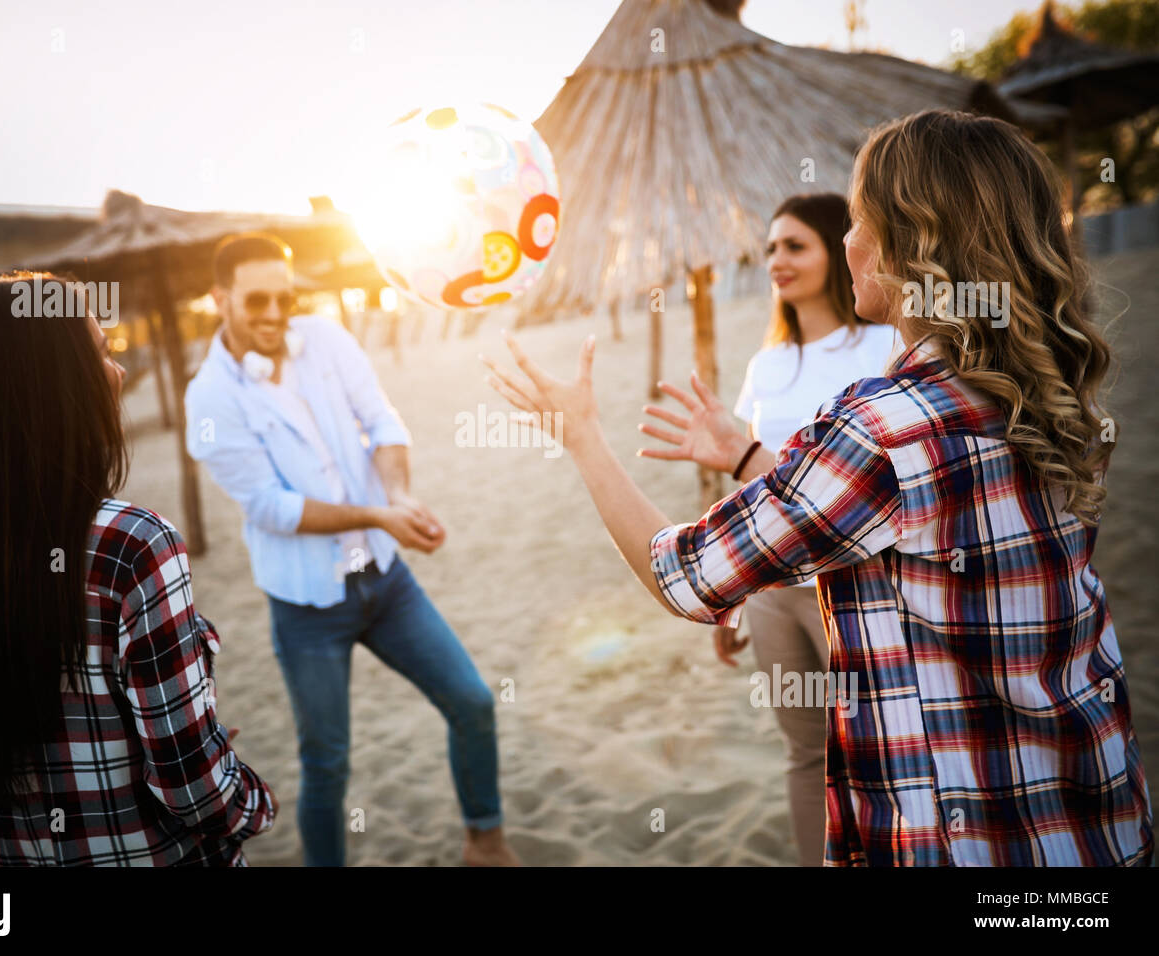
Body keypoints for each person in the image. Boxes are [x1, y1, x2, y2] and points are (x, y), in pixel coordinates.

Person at [483, 109, 1152, 866]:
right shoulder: (1060, 406)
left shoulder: (884, 427)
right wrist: (745, 458)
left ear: (909, 242)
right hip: (1100, 827)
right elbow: (889, 526)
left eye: (858, 219)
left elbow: (685, 576)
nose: (847, 241)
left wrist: (581, 437)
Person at [0, 274, 277, 866]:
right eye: (104, 354)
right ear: (57, 388)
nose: (119, 373)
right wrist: (254, 797)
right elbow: (194, 790)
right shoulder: (134, 546)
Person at [185, 233, 517, 867]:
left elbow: (384, 419)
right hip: (307, 607)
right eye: (257, 300)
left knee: (472, 702)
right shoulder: (208, 398)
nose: (276, 314)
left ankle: (487, 843)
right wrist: (378, 515)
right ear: (219, 298)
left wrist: (400, 498)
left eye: (285, 298)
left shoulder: (329, 340)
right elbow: (271, 509)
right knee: (327, 765)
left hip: (387, 584)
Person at [637, 193, 899, 866]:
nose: (777, 260)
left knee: (882, 756)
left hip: (861, 589)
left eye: (796, 246)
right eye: (772, 247)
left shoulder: (885, 345)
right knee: (805, 753)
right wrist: (736, 595)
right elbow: (756, 490)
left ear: (838, 252)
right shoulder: (766, 366)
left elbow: (845, 488)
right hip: (774, 590)